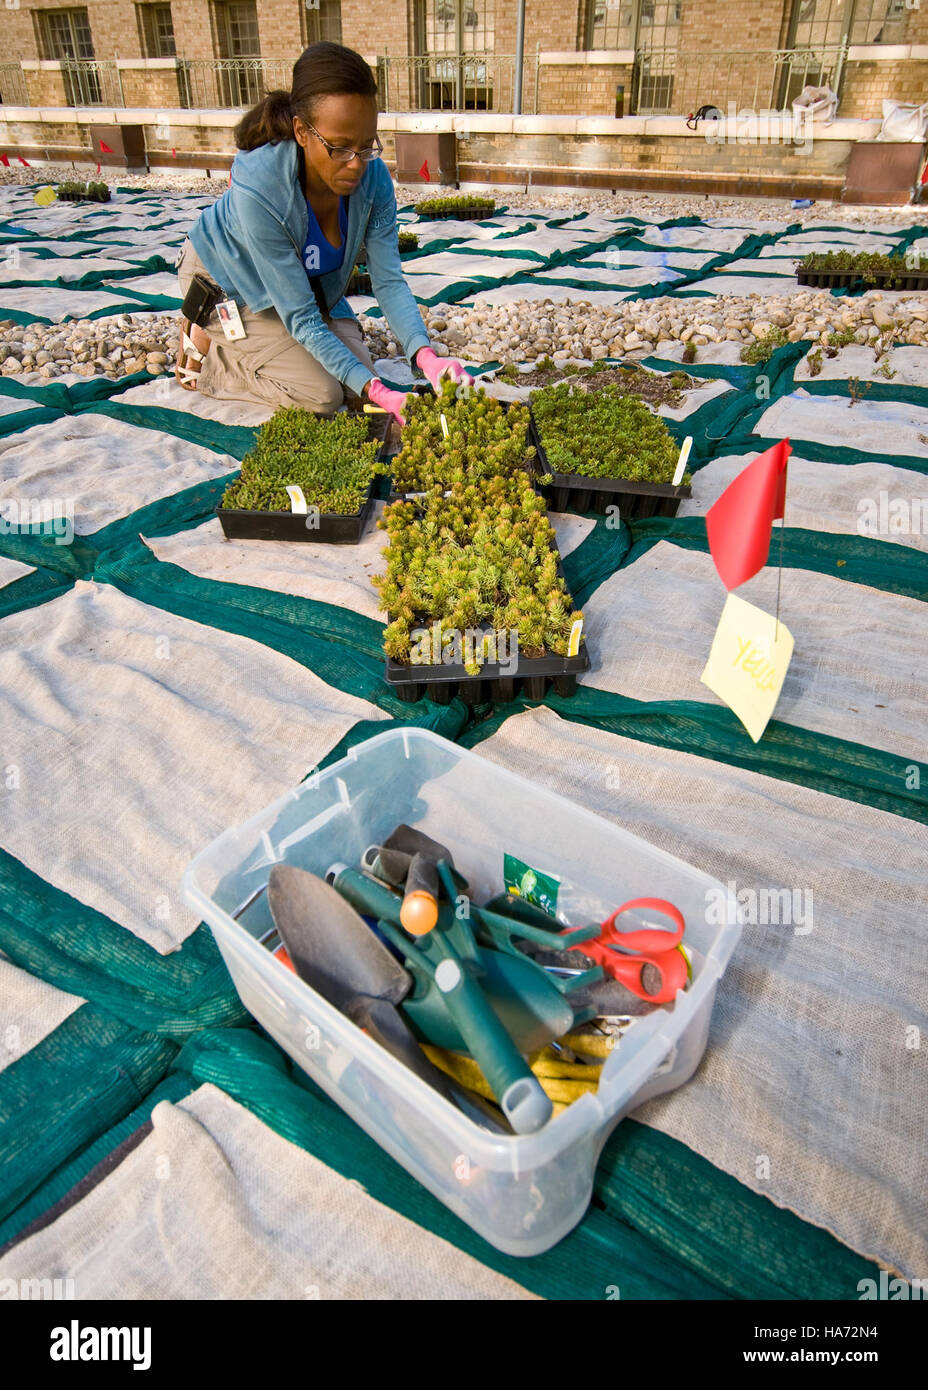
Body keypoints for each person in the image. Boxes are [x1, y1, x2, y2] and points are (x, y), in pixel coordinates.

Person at [175, 41, 472, 425]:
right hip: (229, 285)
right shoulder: (262, 192)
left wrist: (425, 358)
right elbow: (302, 320)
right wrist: (379, 392)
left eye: (367, 146)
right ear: (301, 131)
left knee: (355, 382)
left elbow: (388, 281)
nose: (356, 165)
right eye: (340, 148)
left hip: (303, 285)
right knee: (323, 395)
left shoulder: (373, 179)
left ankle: (272, 352)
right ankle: (213, 354)